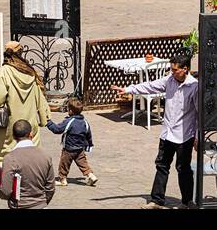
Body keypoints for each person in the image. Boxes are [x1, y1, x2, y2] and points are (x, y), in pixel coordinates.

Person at [113, 53, 198, 208]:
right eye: (171, 70)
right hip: (167, 133)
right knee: (162, 165)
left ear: (185, 69)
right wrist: (128, 89)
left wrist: (197, 137)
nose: (172, 73)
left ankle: (187, 201)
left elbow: (199, 114)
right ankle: (157, 200)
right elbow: (150, 86)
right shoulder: (169, 80)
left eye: (175, 70)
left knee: (183, 168)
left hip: (184, 135)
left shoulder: (194, 87)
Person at [0, 42, 51, 187]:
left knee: (2, 150)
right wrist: (44, 118)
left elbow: (0, 97)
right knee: (31, 148)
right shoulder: (29, 71)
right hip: (30, 121)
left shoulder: (4, 71)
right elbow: (39, 96)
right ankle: (31, 177)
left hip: (10, 122)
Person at [0, 119, 56, 208]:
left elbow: (6, 191)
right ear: (31, 135)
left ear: (13, 136)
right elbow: (50, 188)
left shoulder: (10, 158)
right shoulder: (45, 156)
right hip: (41, 204)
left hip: (19, 205)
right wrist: (42, 201)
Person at [47, 98, 99, 187]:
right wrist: (89, 145)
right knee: (83, 163)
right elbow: (88, 135)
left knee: (64, 164)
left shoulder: (69, 121)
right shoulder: (85, 122)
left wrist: (49, 123)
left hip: (69, 149)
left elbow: (57, 129)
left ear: (70, 111)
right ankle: (91, 175)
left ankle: (62, 179)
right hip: (80, 149)